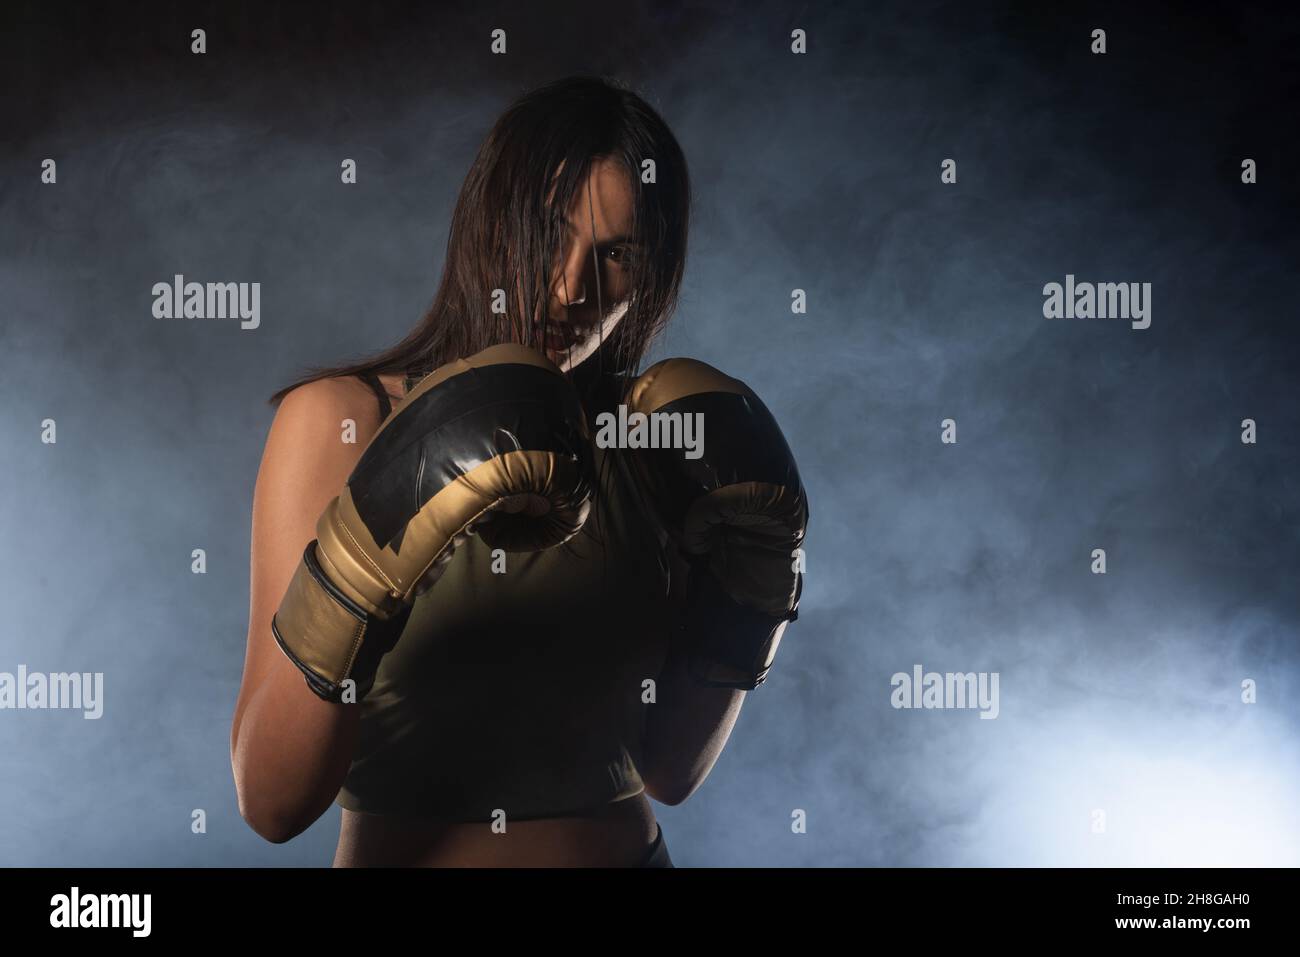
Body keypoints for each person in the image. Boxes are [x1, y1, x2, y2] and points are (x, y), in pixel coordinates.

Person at [230, 75, 808, 867]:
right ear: (485, 223)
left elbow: (670, 770)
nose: (569, 287)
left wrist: (750, 597)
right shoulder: (343, 420)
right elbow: (270, 801)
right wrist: (358, 575)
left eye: (617, 254)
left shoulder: (654, 443)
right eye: (547, 231)